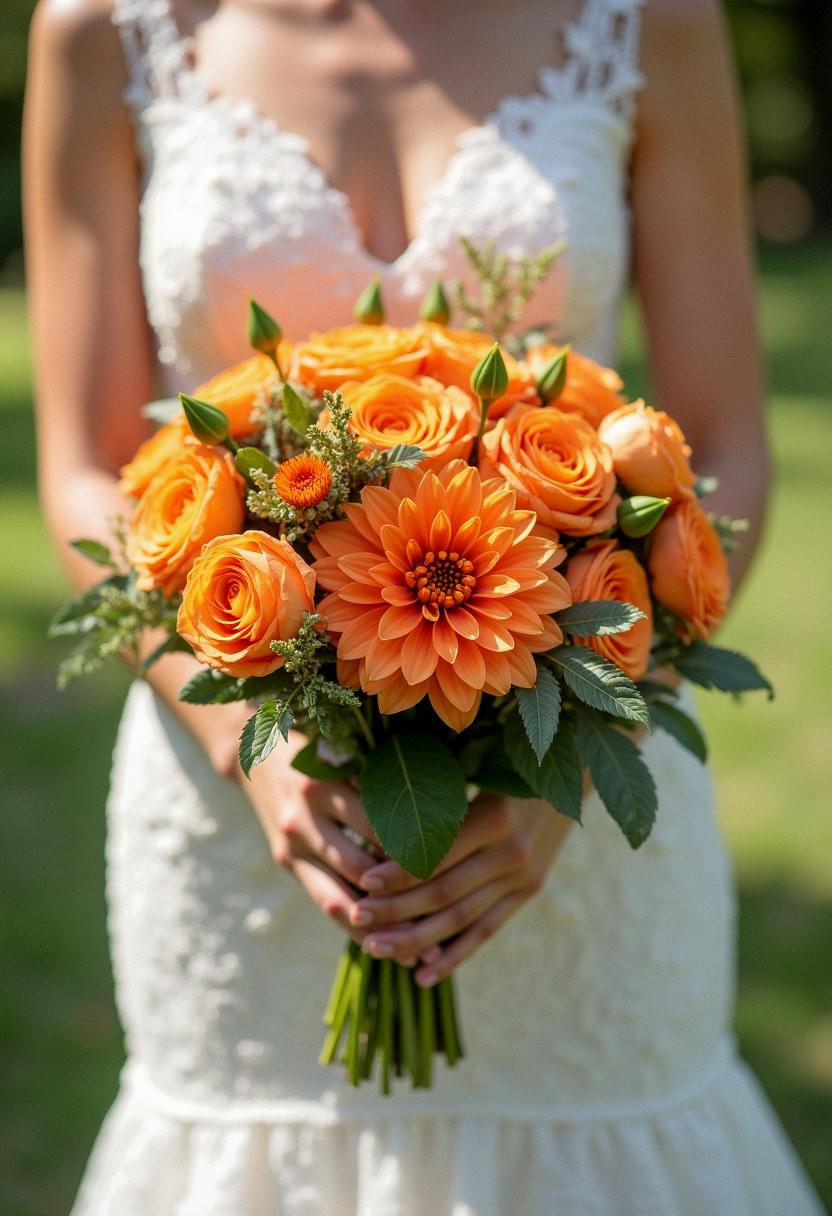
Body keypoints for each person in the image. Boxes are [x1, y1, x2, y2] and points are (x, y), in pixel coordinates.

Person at [24, 0, 825, 1212]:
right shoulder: (103, 28)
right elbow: (86, 468)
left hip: (564, 811)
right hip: (245, 806)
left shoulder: (647, 22)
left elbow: (724, 453)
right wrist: (261, 757)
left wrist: (572, 768)